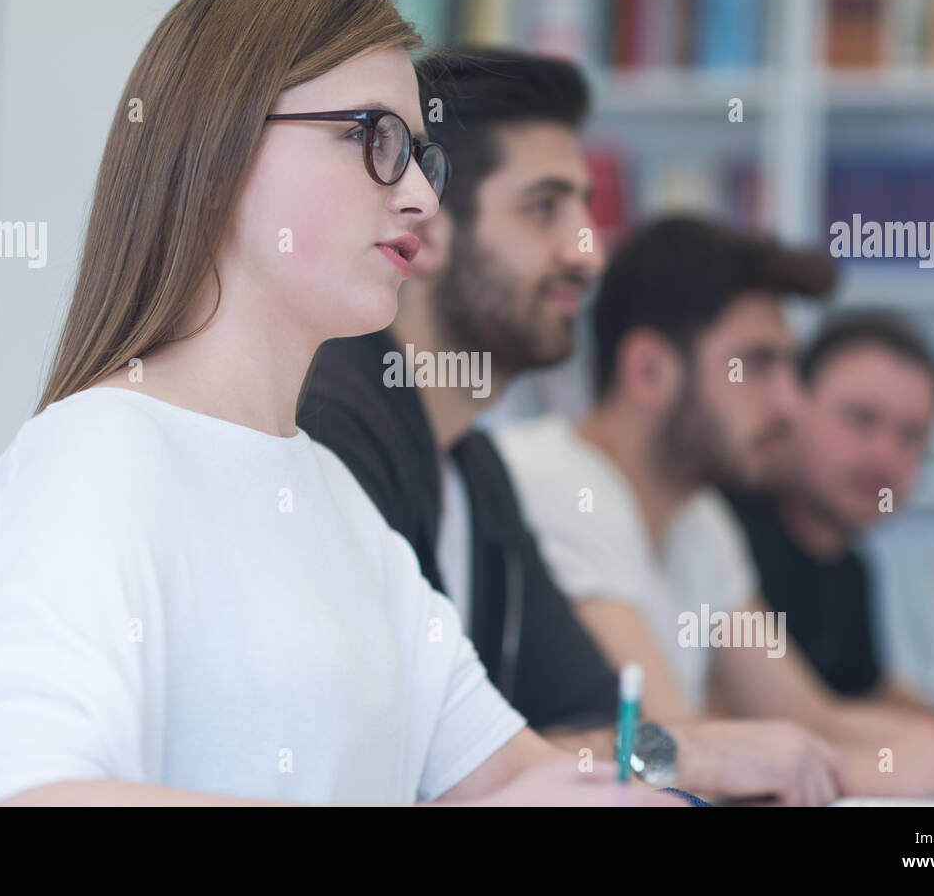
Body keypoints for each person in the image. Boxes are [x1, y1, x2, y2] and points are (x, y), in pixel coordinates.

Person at [0, 0, 687, 808]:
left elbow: (517, 774)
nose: (419, 195)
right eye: (375, 138)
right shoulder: (96, 454)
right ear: (224, 149)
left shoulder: (335, 498)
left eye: (421, 157)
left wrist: (659, 785)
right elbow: (23, 794)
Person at [299, 48, 848, 805]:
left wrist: (686, 753)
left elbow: (580, 723)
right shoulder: (330, 429)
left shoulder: (477, 471)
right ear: (422, 218)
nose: (588, 252)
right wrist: (694, 754)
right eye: (543, 208)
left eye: (585, 210)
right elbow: (410, 760)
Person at [497, 214, 934, 794]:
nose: (788, 404)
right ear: (649, 369)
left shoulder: (699, 521)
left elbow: (812, 716)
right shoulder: (554, 484)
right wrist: (886, 768)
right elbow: (684, 748)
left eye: (787, 366)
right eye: (757, 365)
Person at [723, 309, 934, 704]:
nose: (884, 457)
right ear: (791, 404)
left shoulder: (850, 569)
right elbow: (808, 722)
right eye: (860, 418)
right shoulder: (721, 535)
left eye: (911, 436)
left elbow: (872, 702)